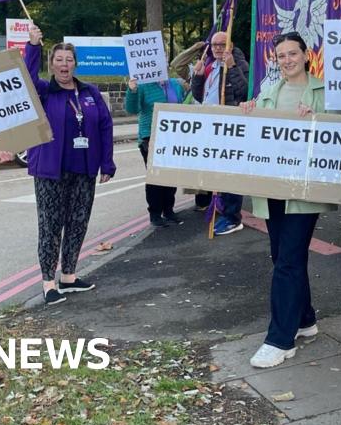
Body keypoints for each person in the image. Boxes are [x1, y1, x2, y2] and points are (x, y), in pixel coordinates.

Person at [237, 32, 335, 368]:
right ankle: (305, 320)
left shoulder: (323, 91)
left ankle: (280, 339)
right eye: (281, 56)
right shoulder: (268, 93)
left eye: (293, 53)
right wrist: (248, 111)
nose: (288, 60)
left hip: (304, 193)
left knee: (288, 261)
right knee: (281, 255)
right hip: (273, 191)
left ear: (306, 55)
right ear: (275, 61)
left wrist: (317, 120)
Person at [18, 25, 115, 305]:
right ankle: (49, 282)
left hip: (83, 169)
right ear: (52, 63)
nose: (64, 65)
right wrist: (33, 47)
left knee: (77, 223)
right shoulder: (44, 91)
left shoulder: (90, 92)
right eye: (58, 60)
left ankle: (69, 276)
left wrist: (106, 164)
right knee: (50, 226)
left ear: (75, 63)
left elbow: (105, 127)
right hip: (50, 170)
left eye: (69, 60)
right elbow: (26, 77)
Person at [189, 31, 250, 234]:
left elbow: (244, 92)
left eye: (222, 44)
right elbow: (200, 95)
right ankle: (224, 210)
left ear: (230, 45)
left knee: (230, 173)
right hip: (211, 127)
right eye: (214, 44)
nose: (217, 48)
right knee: (218, 173)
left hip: (229, 127)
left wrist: (231, 67)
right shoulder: (210, 65)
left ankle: (233, 217)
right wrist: (197, 77)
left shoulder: (238, 64)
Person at [126, 70, 187, 228]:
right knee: (155, 177)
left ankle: (169, 210)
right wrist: (132, 90)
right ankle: (155, 213)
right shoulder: (143, 85)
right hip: (151, 137)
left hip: (174, 137)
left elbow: (186, 104)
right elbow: (132, 109)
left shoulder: (175, 84)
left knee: (171, 176)